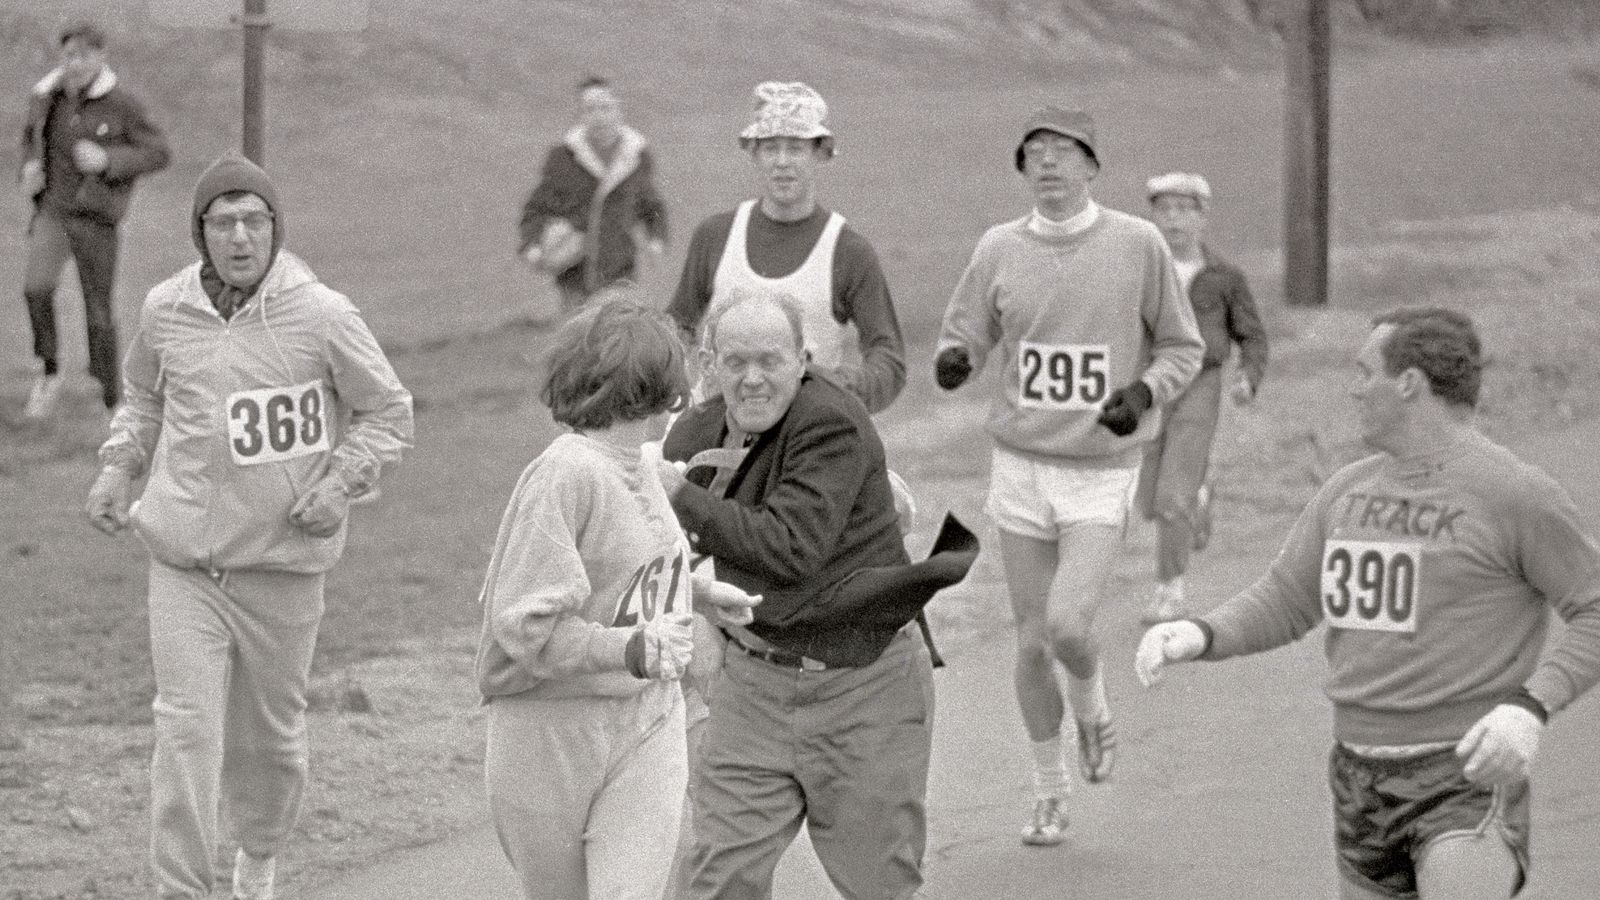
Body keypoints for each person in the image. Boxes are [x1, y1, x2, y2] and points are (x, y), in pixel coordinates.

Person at [1136, 308, 1600, 900]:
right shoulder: (1348, 490)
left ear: (1407, 383)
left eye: (1363, 373)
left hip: (1462, 772)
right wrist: (1199, 633)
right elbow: (1288, 598)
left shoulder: (1515, 494)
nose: (1352, 390)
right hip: (1359, 778)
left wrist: (1530, 708)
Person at [84, 152, 413, 900]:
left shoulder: (323, 313)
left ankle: (259, 853)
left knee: (270, 748)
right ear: (200, 233)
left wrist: (339, 481)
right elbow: (141, 396)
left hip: (281, 564)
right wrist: (117, 464)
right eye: (222, 223)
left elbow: (389, 412)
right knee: (186, 732)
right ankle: (182, 890)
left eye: (254, 222)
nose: (239, 238)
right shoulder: (167, 308)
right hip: (182, 563)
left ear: (275, 229)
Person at [934, 106, 1203, 847]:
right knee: (1028, 644)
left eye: (1064, 152)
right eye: (1035, 154)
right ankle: (1049, 789)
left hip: (1099, 470)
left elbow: (1183, 347)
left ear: (1092, 167)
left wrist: (1142, 393)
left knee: (1066, 628)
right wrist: (958, 359)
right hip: (1022, 466)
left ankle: (1092, 705)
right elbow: (965, 334)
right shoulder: (998, 247)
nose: (1048, 165)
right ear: (1023, 169)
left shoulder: (1136, 244)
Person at [657, 290, 975, 899]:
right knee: (718, 878)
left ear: (802, 360)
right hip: (753, 687)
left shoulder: (831, 421)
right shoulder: (691, 436)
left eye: (771, 361)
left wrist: (680, 495)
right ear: (708, 364)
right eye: (736, 362)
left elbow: (791, 547)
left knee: (877, 883)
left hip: (863, 685)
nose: (753, 379)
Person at [475, 296, 759, 900]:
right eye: (670, 382)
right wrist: (629, 649)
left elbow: (633, 581)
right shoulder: (566, 475)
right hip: (550, 727)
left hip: (646, 717)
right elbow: (524, 629)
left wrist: (700, 593)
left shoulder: (640, 464)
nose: (679, 399)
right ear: (648, 389)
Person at [667, 80, 905, 415]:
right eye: (770, 148)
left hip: (807, 431)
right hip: (717, 425)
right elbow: (676, 329)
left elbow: (888, 358)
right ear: (753, 154)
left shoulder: (847, 251)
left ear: (819, 154)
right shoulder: (715, 236)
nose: (782, 162)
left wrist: (834, 387)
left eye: (795, 148)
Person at [1135, 172, 1269, 624]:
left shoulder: (1223, 278)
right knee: (1148, 499)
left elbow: (1251, 335)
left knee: (1172, 498)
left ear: (1203, 217)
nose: (1174, 220)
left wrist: (1248, 377)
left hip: (1199, 385)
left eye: (1184, 210)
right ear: (1152, 216)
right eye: (1164, 209)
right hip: (1147, 386)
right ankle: (1201, 496)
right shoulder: (1140, 270)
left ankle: (1170, 590)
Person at [18, 20, 169, 419]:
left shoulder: (122, 104)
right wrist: (30, 166)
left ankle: (110, 397)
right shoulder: (46, 96)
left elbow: (158, 153)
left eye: (85, 55)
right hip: (52, 212)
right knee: (36, 289)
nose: (76, 63)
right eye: (69, 55)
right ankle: (48, 373)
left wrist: (108, 160)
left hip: (96, 220)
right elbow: (30, 138)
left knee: (98, 310)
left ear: (101, 57)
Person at [517, 75, 668, 312]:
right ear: (581, 115)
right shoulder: (563, 157)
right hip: (575, 277)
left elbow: (652, 206)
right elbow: (536, 208)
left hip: (621, 274)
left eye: (605, 108)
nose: (598, 116)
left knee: (619, 340)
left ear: (618, 111)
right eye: (590, 109)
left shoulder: (636, 157)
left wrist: (656, 239)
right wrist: (532, 245)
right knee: (578, 342)